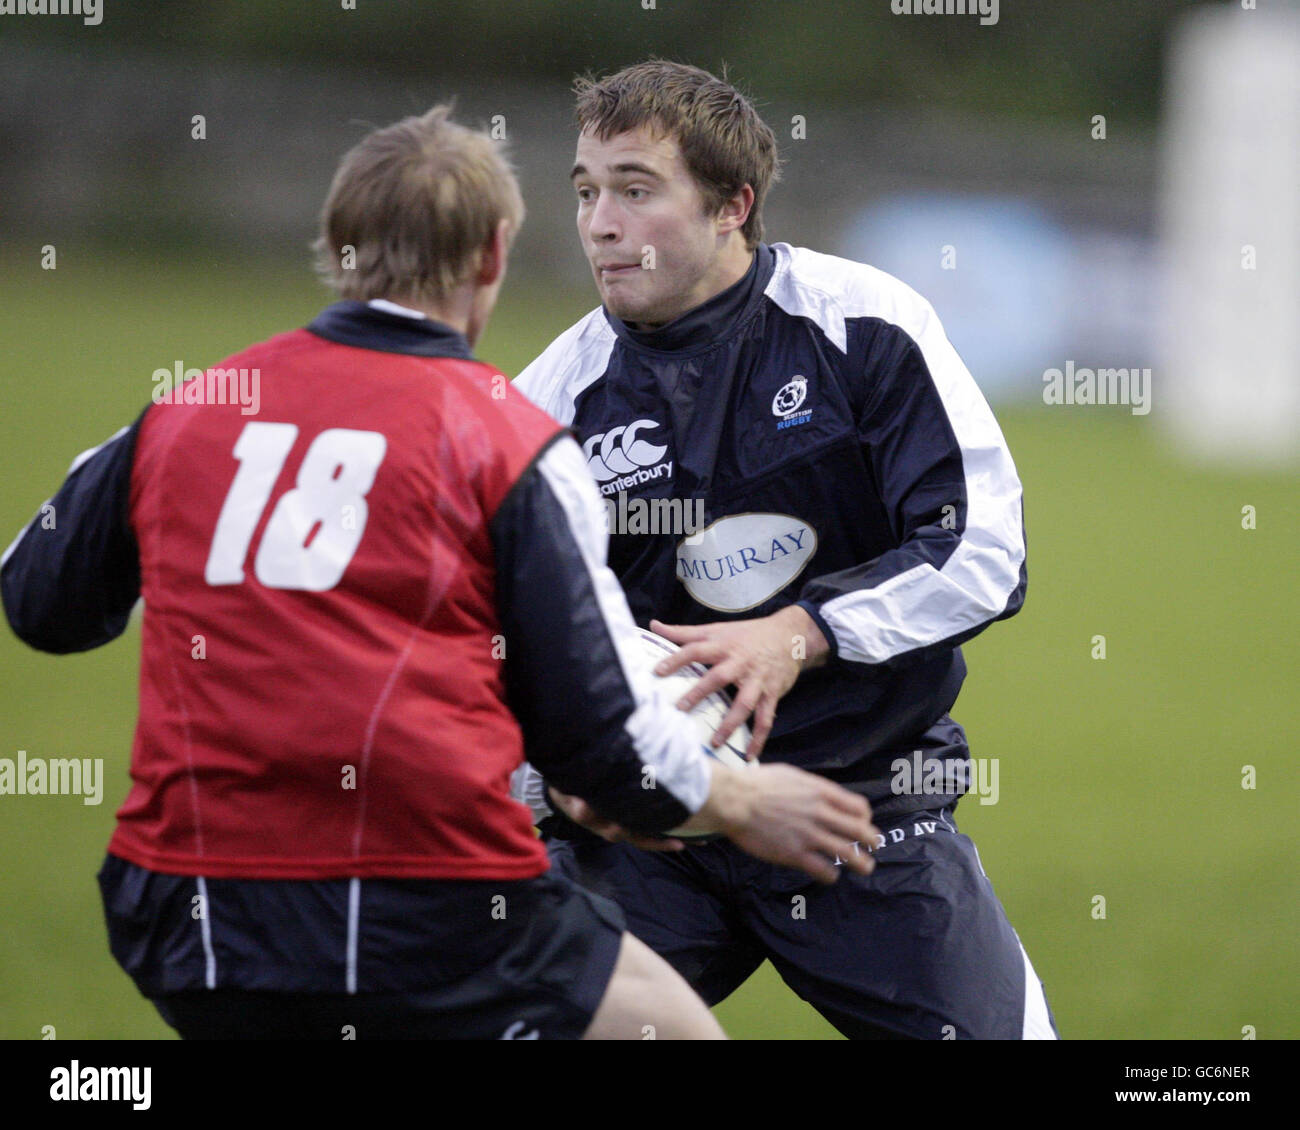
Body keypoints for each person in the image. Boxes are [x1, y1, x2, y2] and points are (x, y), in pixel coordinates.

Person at [0, 104, 879, 1041]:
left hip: (186, 907)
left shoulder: (188, 410)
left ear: (336, 249)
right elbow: (595, 733)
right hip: (425, 903)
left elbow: (40, 602)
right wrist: (744, 801)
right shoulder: (508, 443)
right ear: (494, 256)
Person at [513, 62, 1059, 1039]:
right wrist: (554, 779)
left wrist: (800, 632)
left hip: (863, 808)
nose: (599, 222)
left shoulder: (862, 328)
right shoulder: (546, 404)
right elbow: (486, 637)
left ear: (733, 203)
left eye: (636, 189)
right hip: (654, 827)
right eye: (587, 190)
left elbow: (981, 545)